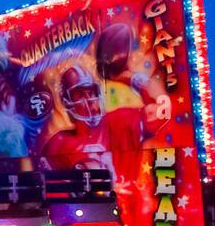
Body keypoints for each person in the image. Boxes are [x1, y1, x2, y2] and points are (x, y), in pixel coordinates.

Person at [38, 62, 167, 175]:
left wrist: (126, 77)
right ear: (67, 102)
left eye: (91, 92)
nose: (89, 99)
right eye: (80, 94)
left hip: (131, 199)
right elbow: (52, 190)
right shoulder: (57, 144)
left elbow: (162, 110)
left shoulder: (120, 120)